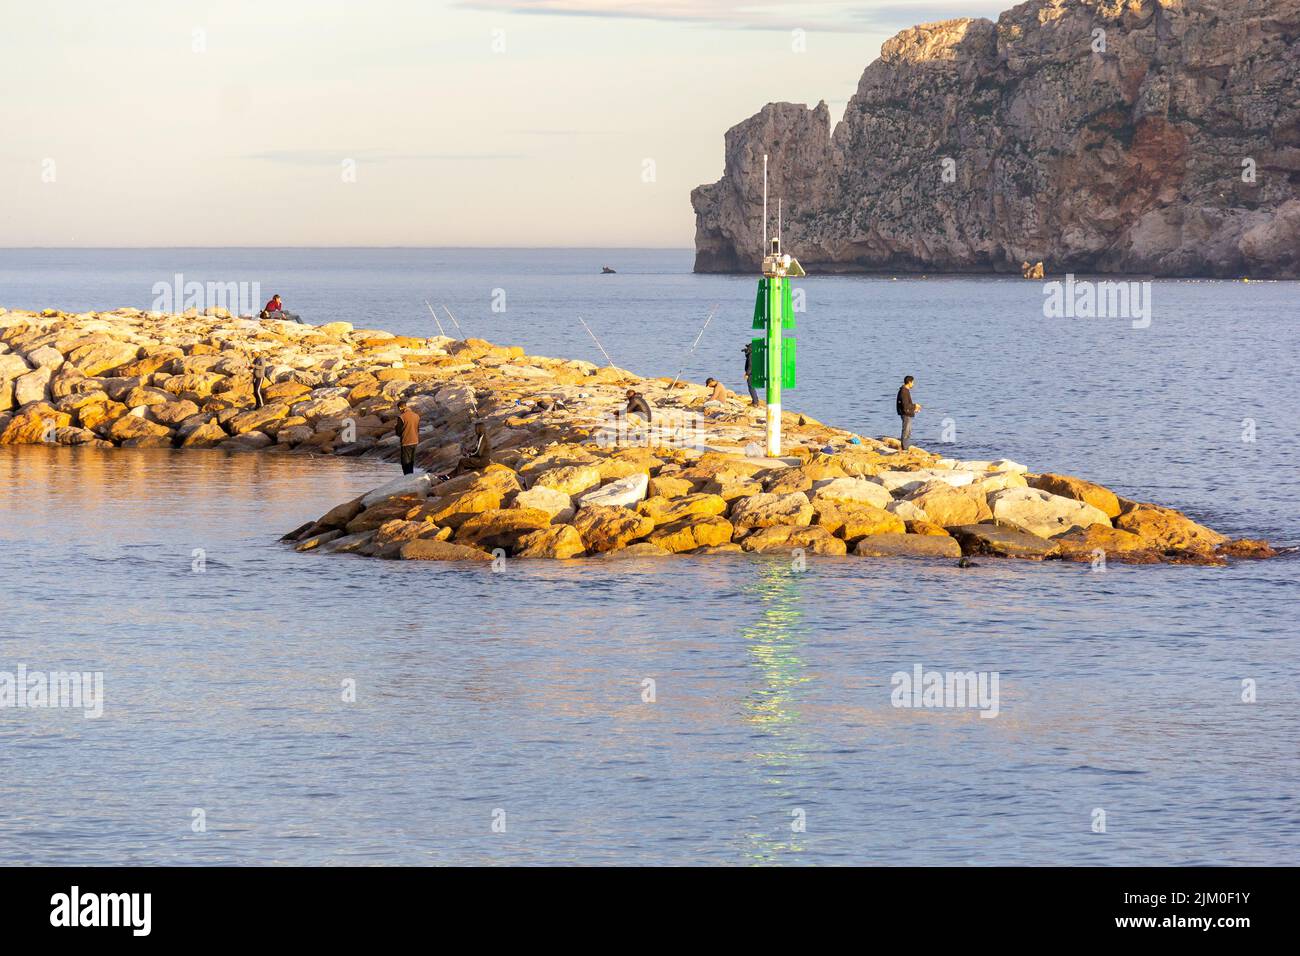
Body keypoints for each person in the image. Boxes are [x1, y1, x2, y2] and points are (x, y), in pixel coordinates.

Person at [395, 402, 421, 474]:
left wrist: (396, 427)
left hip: (406, 441)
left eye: (399, 409)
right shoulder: (416, 416)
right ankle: (411, 475)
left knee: (405, 461)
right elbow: (417, 429)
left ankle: (407, 477)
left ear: (400, 408)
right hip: (415, 441)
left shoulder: (401, 417)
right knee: (411, 460)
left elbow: (398, 432)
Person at [896, 375, 921, 451]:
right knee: (906, 432)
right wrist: (915, 405)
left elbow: (906, 405)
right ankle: (904, 448)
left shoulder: (905, 390)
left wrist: (914, 409)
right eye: (913, 382)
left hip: (907, 413)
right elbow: (905, 406)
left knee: (908, 432)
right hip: (905, 414)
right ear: (909, 382)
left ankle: (906, 447)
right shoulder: (904, 391)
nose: (913, 384)